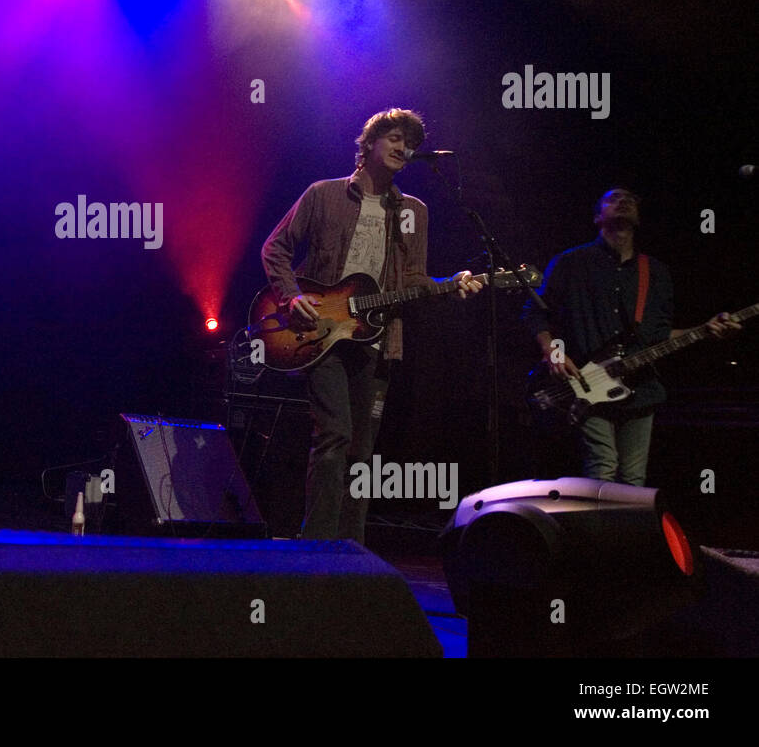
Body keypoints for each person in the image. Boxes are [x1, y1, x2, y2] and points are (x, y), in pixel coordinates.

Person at [261, 108, 481, 541]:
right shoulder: (323, 195)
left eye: (410, 144)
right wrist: (293, 296)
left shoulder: (413, 212)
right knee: (335, 437)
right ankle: (317, 546)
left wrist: (450, 285)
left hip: (377, 339)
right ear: (370, 143)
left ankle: (351, 551)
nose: (405, 149)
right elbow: (275, 248)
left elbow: (415, 282)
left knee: (362, 453)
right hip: (320, 335)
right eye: (396, 138)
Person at [525, 187, 739, 486]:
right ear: (598, 216)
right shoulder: (570, 262)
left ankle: (624, 534)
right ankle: (598, 533)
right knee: (603, 466)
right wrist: (553, 351)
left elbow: (660, 335)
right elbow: (536, 313)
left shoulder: (656, 271)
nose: (623, 201)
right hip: (587, 382)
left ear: (639, 216)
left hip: (641, 388)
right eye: (613, 199)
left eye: (630, 200)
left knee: (633, 479)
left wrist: (705, 329)